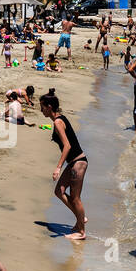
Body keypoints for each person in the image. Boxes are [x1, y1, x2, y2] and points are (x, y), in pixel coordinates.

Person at [40, 89, 86, 240]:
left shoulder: (58, 122)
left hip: (78, 162)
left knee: (75, 198)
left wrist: (58, 167)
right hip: (74, 162)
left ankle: (81, 231)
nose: (41, 110)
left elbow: (67, 146)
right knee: (59, 191)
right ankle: (80, 219)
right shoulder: (59, 119)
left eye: (42, 107)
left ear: (49, 107)